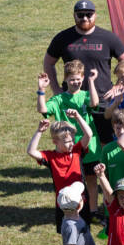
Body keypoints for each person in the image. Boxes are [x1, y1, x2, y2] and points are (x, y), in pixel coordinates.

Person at [44, 0, 124, 143]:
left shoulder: (108, 37)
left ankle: (103, 166)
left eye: (88, 14)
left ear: (95, 15)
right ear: (74, 16)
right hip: (72, 100)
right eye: (80, 14)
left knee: (105, 140)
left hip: (103, 99)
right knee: (71, 139)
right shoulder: (63, 38)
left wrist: (118, 85)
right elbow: (48, 63)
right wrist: (56, 89)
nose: (85, 18)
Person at [37, 62, 101, 217]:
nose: (76, 82)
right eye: (72, 79)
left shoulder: (85, 95)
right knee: (71, 181)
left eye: (78, 79)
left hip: (88, 146)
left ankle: (93, 211)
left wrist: (91, 82)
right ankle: (71, 209)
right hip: (68, 149)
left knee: (92, 180)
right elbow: (43, 109)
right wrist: (41, 90)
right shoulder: (59, 99)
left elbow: (94, 103)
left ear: (83, 78)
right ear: (65, 80)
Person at [26, 110, 94, 232]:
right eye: (68, 142)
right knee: (67, 234)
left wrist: (78, 117)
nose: (72, 144)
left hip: (81, 201)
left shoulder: (77, 151)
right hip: (63, 204)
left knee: (84, 233)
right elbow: (31, 151)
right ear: (55, 142)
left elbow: (88, 134)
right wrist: (39, 132)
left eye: (73, 140)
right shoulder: (50, 157)